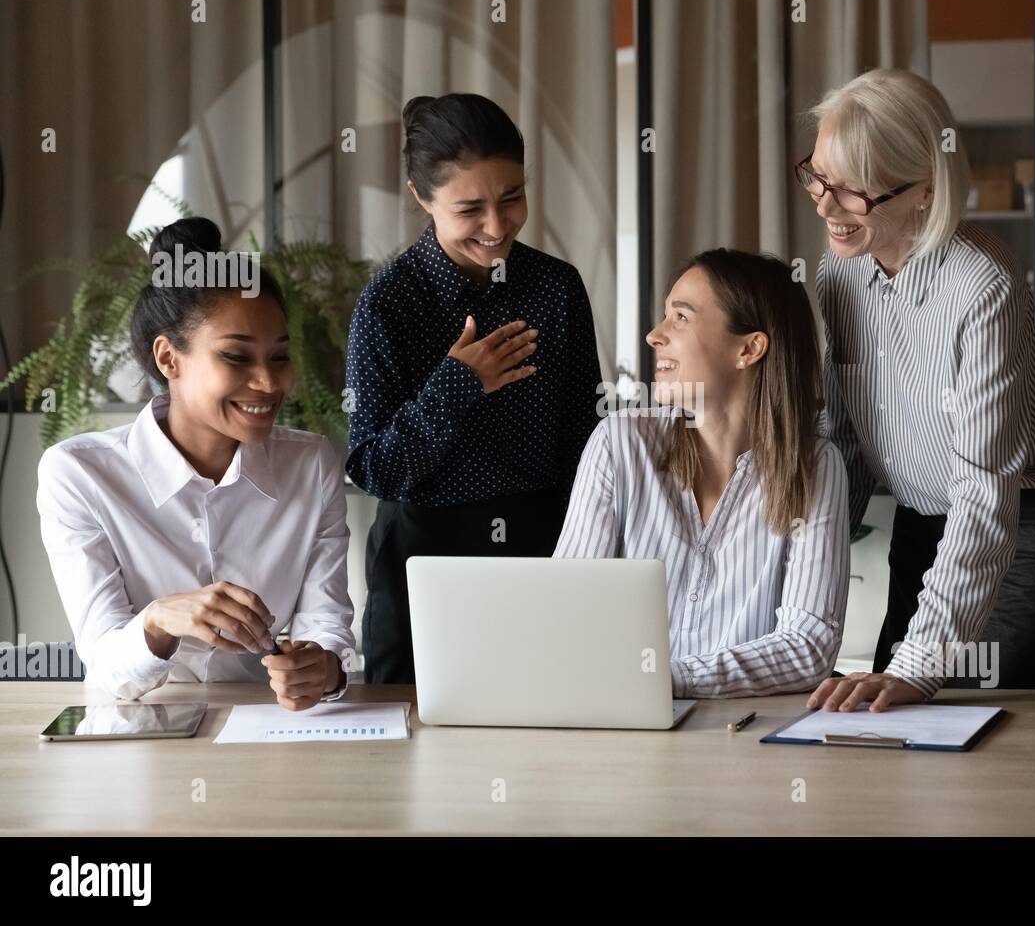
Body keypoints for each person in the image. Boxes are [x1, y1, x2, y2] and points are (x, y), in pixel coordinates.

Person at [800, 68, 1035, 714]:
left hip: (1022, 524)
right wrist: (806, 577)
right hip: (923, 518)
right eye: (818, 177)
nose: (824, 206)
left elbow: (984, 494)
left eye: (853, 192)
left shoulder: (983, 285)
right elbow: (845, 440)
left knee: (953, 714)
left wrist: (920, 663)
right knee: (878, 714)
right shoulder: (838, 274)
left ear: (924, 192)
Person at [36, 217, 354, 708]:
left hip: (270, 729)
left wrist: (324, 669)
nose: (269, 384)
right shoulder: (79, 475)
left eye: (280, 356)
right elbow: (106, 670)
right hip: (145, 731)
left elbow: (326, 625)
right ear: (168, 359)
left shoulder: (310, 464)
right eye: (236, 357)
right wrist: (160, 619)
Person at [345, 93, 603, 684]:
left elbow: (585, 442)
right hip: (421, 557)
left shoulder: (556, 288)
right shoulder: (387, 305)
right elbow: (372, 468)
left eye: (512, 199)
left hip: (542, 548)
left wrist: (586, 563)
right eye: (470, 209)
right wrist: (458, 384)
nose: (496, 226)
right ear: (421, 198)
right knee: (414, 755)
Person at [554, 248, 849, 697]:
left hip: (752, 741)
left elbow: (808, 646)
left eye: (681, 317)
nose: (655, 336)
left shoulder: (816, 467)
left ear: (749, 348)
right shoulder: (620, 444)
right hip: (622, 728)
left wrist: (663, 681)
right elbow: (565, 611)